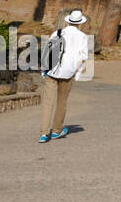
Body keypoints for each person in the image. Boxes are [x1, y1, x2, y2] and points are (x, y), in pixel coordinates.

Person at [39, 9, 91, 143]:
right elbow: (83, 57)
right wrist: (76, 72)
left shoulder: (57, 33)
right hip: (68, 73)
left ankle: (44, 134)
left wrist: (44, 69)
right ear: (80, 23)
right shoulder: (83, 37)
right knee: (62, 102)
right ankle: (56, 130)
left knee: (47, 103)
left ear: (68, 21)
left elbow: (47, 51)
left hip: (52, 71)